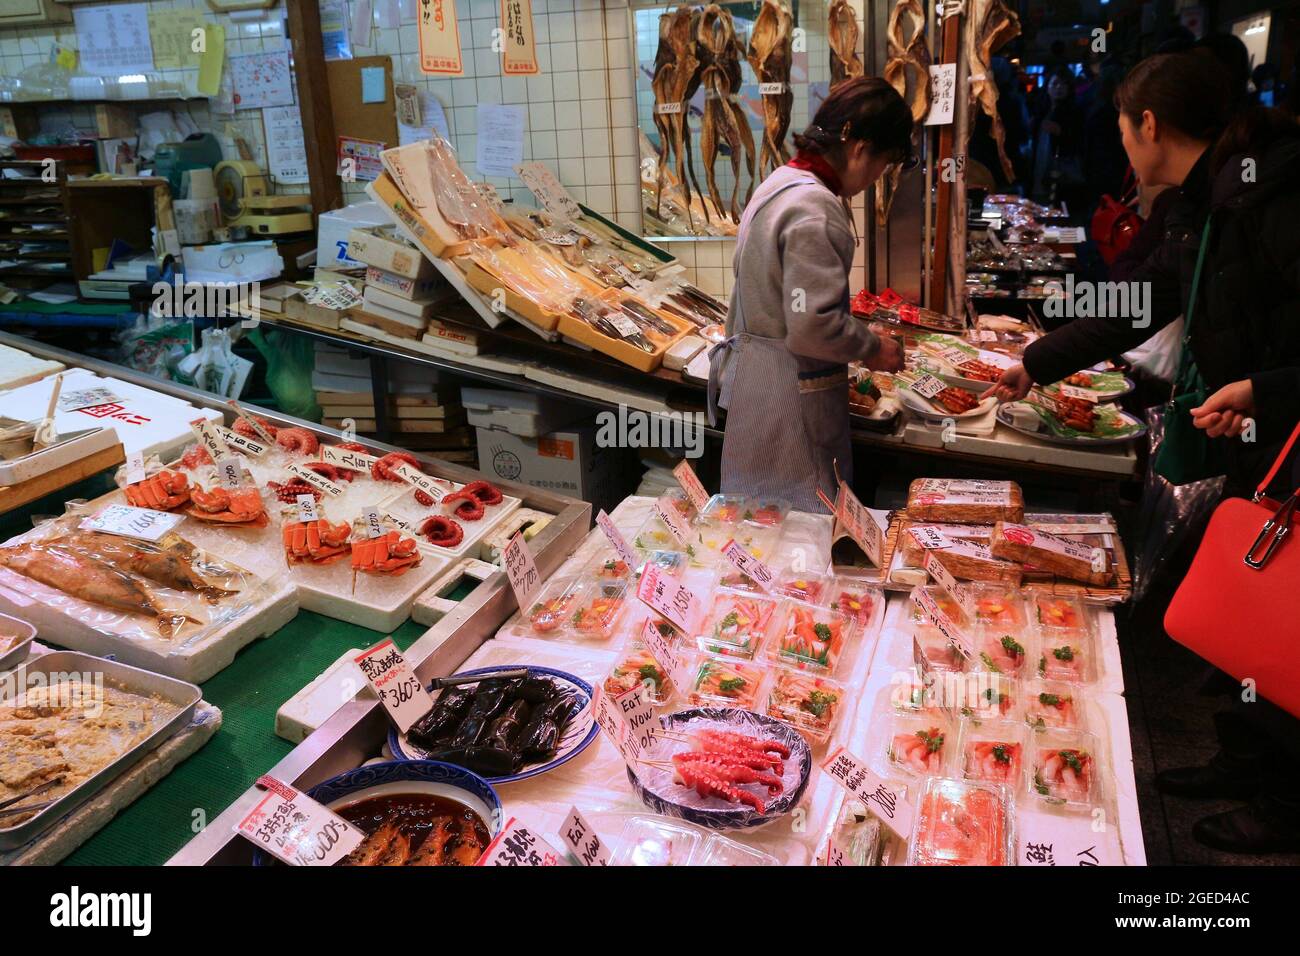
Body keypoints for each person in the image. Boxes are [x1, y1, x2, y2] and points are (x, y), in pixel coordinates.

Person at [986, 49, 1300, 852]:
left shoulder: (1275, 192)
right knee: (1252, 594)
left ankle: (1288, 802)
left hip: (1290, 434)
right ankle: (1245, 756)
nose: (1123, 150)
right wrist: (1034, 359)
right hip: (1251, 438)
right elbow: (1136, 301)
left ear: (1149, 126)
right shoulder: (1199, 202)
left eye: (1125, 132)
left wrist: (1267, 389)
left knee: (1292, 609)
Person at [707, 77, 909, 512]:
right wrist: (874, 347)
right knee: (801, 534)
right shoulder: (816, 208)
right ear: (859, 146)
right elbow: (812, 327)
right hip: (790, 398)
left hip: (754, 388)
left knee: (754, 523)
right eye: (883, 164)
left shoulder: (778, 182)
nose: (876, 178)